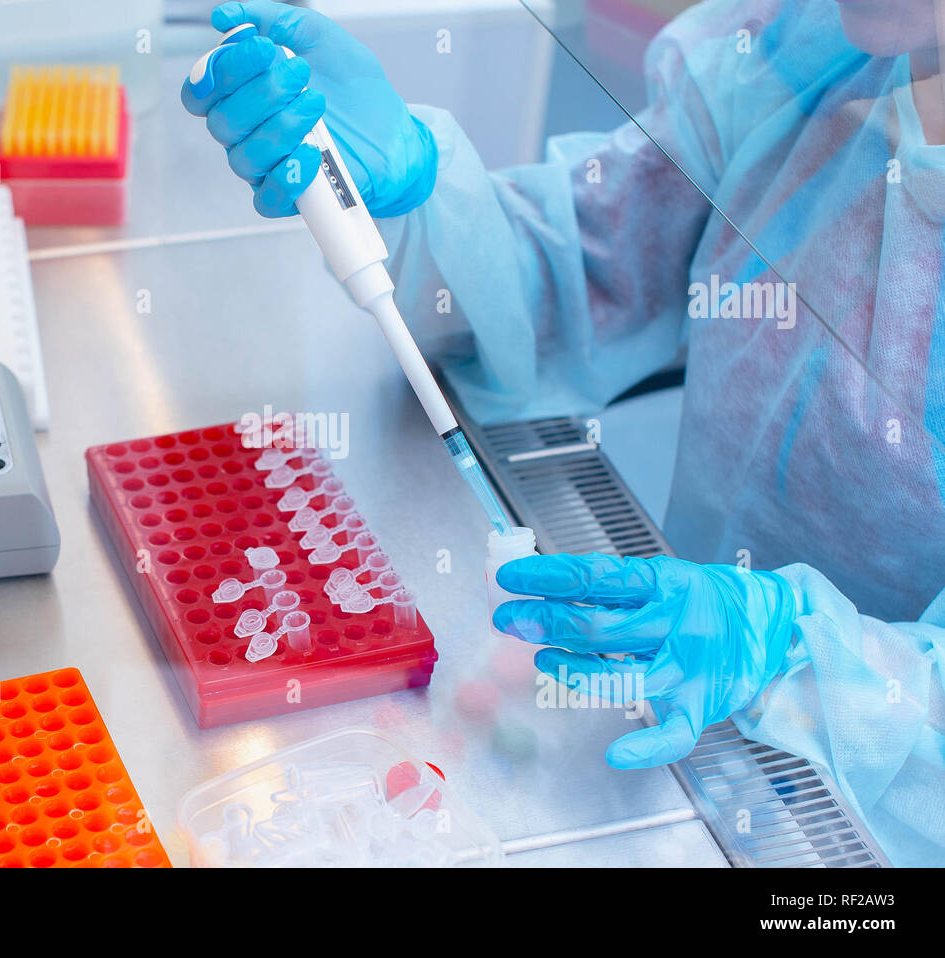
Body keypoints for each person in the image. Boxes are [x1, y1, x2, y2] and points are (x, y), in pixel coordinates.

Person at [182, 0, 945, 866]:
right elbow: (582, 273)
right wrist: (410, 192)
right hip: (680, 743)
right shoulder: (808, 48)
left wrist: (801, 658)